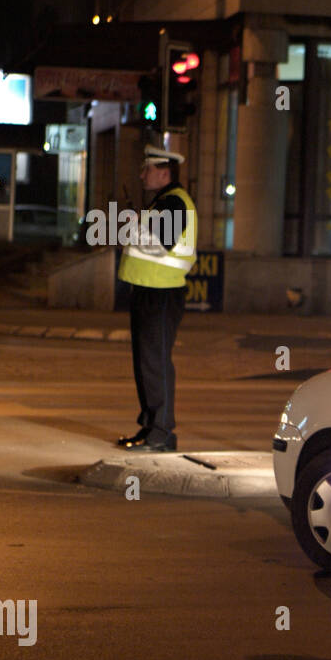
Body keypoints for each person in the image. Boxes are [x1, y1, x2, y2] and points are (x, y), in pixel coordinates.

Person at [115, 146, 197, 453]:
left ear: (164, 172)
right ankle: (150, 427)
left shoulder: (174, 202)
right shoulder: (164, 202)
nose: (141, 174)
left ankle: (161, 432)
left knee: (155, 362)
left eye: (146, 169)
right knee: (146, 363)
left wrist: (136, 224)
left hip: (161, 293)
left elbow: (162, 242)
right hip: (149, 290)